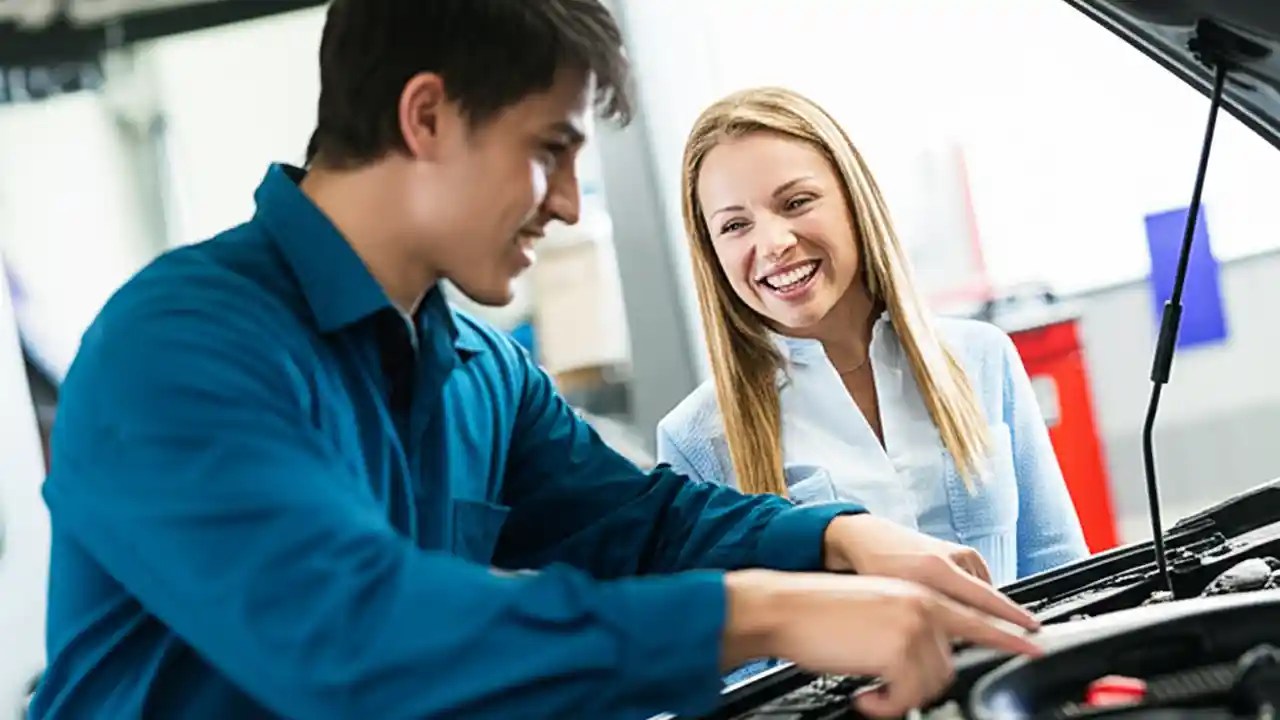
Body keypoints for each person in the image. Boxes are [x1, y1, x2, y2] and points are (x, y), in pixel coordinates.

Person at [31, 4, 1041, 720]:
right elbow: (353, 642)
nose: (564, 204)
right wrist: (773, 609)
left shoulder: (475, 365)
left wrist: (843, 541)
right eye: (548, 150)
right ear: (425, 117)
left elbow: (641, 522)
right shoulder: (177, 349)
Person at [659, 86, 1089, 597]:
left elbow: (1064, 573)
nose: (773, 244)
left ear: (852, 201)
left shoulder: (982, 357)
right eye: (735, 225)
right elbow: (736, 664)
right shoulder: (695, 441)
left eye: (796, 202)